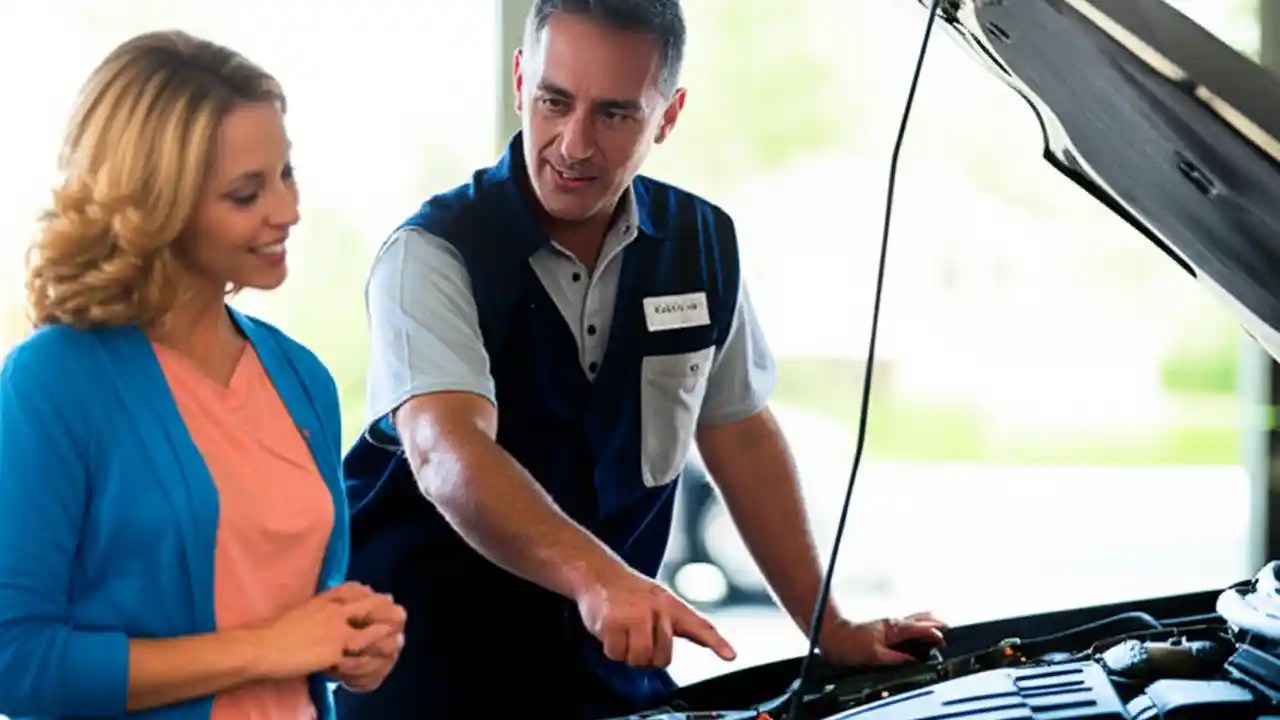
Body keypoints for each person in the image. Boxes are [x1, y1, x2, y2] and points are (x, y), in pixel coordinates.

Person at [339, 1, 946, 718]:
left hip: (605, 672)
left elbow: (740, 436)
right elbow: (448, 452)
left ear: (669, 113)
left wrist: (831, 626)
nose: (573, 143)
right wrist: (601, 580)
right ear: (519, 81)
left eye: (616, 114)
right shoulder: (432, 255)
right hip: (427, 679)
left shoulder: (702, 244)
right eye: (553, 101)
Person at [0, 30, 406, 720]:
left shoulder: (300, 377)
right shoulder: (52, 384)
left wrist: (352, 649)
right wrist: (267, 648)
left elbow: (300, 623)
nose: (287, 210)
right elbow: (17, 663)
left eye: (286, 174)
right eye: (246, 194)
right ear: (158, 206)